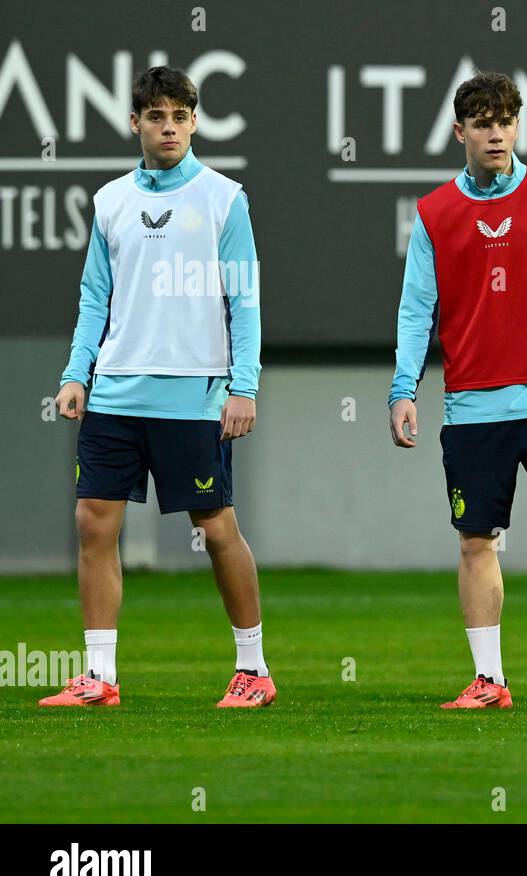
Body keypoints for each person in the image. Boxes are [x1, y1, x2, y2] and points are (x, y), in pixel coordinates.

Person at [42, 66, 272, 708]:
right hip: (115, 392)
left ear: (195, 122)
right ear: (136, 123)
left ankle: (253, 669)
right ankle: (99, 677)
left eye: (180, 117)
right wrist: (75, 374)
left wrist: (243, 386)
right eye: (156, 117)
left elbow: (244, 298)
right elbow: (95, 296)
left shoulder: (225, 198)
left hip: (194, 397)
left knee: (217, 526)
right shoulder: (111, 200)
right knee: (93, 523)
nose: (168, 128)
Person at [389, 72, 527, 710]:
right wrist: (403, 388)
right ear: (460, 132)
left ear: (517, 127)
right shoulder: (434, 213)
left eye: (506, 121)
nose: (496, 133)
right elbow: (416, 311)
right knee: (475, 540)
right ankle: (490, 680)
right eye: (483, 124)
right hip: (472, 407)